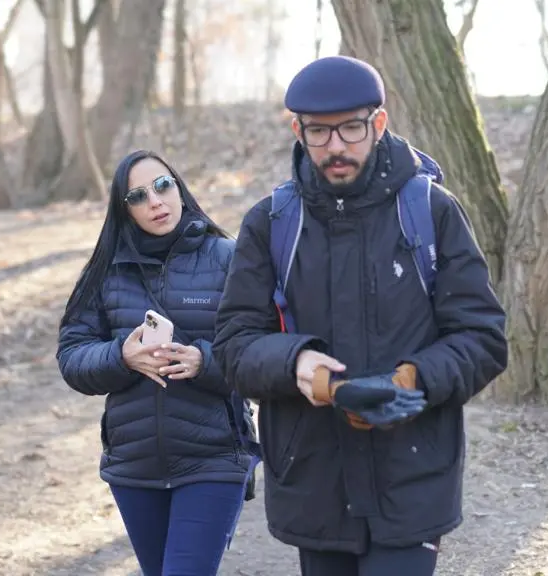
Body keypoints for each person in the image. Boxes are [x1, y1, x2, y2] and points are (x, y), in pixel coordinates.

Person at [212, 55, 509, 576]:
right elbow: (235, 345)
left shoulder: (431, 210)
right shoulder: (271, 222)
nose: (336, 147)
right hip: (313, 477)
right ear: (297, 130)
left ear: (379, 122)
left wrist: (409, 380)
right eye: (319, 132)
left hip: (412, 472)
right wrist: (310, 372)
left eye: (350, 128)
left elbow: (483, 337)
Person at [57, 149, 258, 576]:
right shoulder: (106, 271)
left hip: (214, 459)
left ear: (179, 188)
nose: (156, 201)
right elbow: (72, 357)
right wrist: (121, 356)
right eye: (138, 196)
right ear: (124, 209)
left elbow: (258, 352)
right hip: (134, 467)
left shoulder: (228, 258)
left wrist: (204, 361)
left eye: (163, 186)